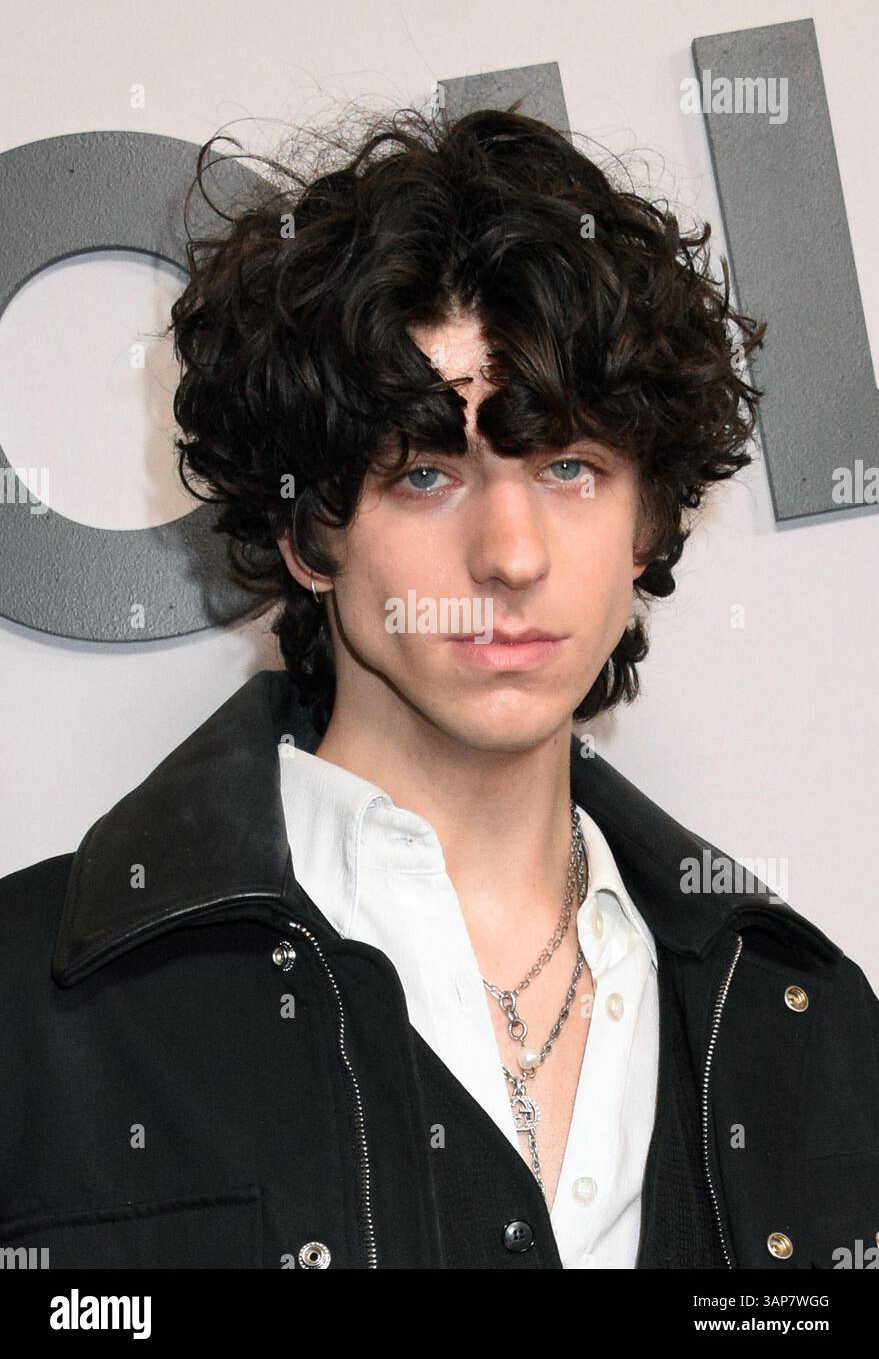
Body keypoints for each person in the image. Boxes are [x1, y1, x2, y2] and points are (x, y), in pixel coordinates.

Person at [1, 105, 877, 1271]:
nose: (510, 554)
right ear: (312, 533)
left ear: (644, 528)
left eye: (568, 466)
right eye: (425, 473)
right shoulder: (32, 1005)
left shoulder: (798, 1017)